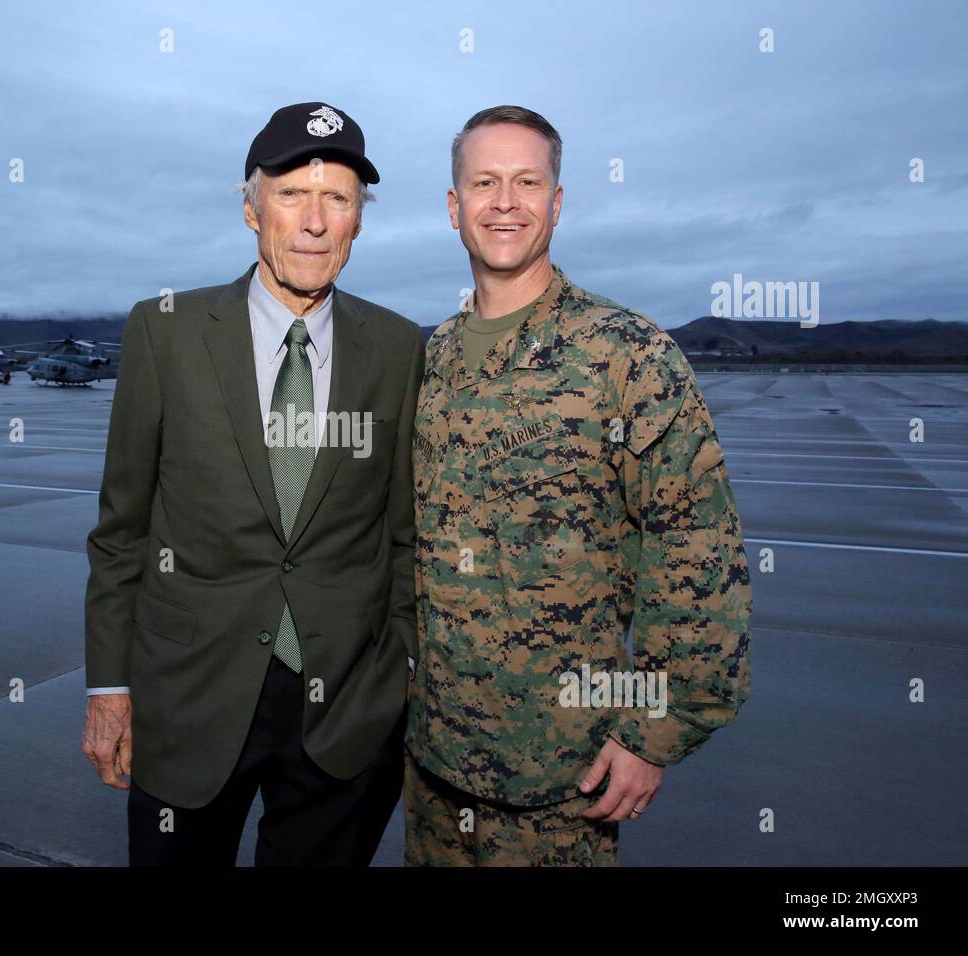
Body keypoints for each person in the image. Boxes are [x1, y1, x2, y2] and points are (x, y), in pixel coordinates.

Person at [405, 105, 752, 866]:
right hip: (434, 766)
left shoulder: (626, 355)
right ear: (453, 204)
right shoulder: (431, 363)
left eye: (527, 182)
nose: (505, 202)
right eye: (484, 182)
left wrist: (656, 730)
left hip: (561, 779)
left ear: (556, 203)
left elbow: (695, 551)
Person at [81, 102, 425, 866]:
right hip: (192, 698)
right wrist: (108, 687)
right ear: (250, 208)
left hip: (343, 712)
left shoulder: (399, 348)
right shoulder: (164, 331)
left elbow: (403, 532)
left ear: (358, 222)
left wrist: (397, 667)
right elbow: (121, 532)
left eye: (337, 199)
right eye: (292, 194)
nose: (314, 221)